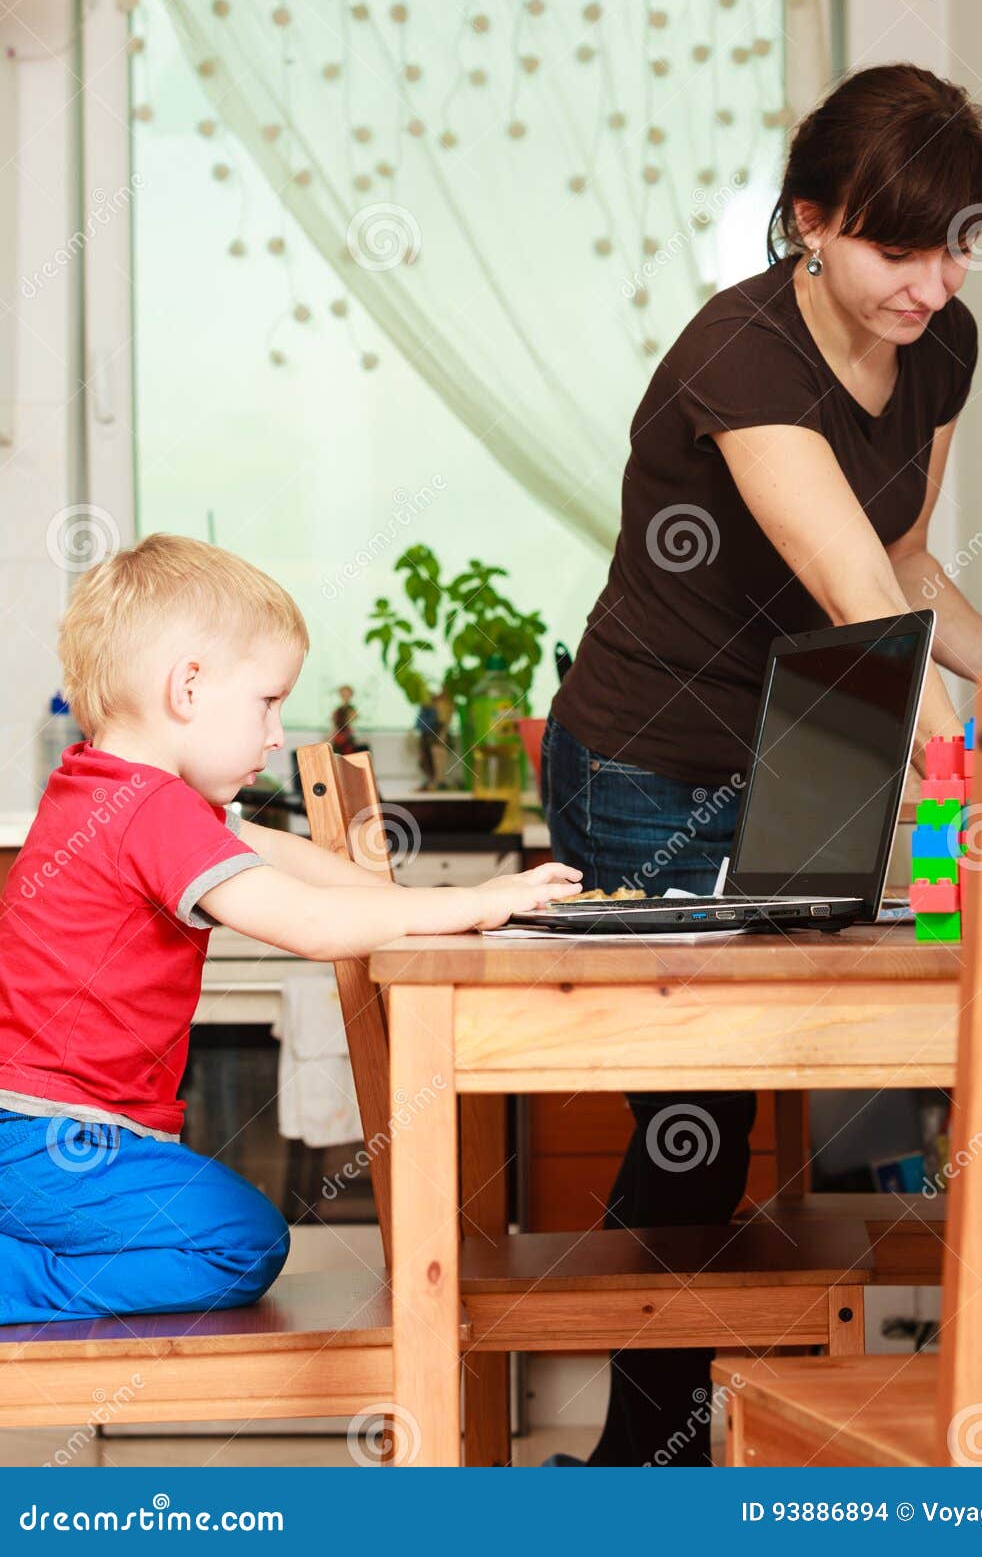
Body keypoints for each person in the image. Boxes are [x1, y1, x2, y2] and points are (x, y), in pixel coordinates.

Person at [542, 62, 982, 1467]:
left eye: (954, 244)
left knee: (822, 1068)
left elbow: (900, 559)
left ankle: (771, 1434)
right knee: (699, 1111)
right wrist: (974, 749)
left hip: (802, 749)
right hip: (651, 761)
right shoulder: (741, 355)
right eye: (897, 249)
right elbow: (854, 594)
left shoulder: (936, 349)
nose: (932, 283)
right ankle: (639, 1464)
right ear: (808, 223)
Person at [0, 534, 580, 1327]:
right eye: (267, 702)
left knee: (217, 1236)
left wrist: (413, 902)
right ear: (189, 688)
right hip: (42, 1139)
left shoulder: (103, 787)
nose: (276, 734)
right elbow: (305, 923)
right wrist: (468, 904)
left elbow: (286, 856)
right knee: (237, 1244)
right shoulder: (150, 808)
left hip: (43, 1136)